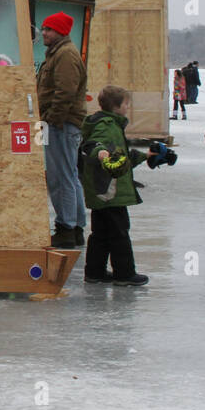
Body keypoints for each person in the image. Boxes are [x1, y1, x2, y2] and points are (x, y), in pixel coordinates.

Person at [79, 85, 152, 286]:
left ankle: (95, 271)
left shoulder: (109, 123)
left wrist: (146, 156)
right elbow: (94, 145)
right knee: (119, 231)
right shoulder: (107, 125)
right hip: (110, 190)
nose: (128, 107)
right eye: (126, 104)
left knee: (100, 233)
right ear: (117, 106)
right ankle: (124, 273)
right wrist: (100, 152)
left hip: (101, 190)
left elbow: (121, 156)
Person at [36, 11, 88, 249]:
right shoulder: (59, 53)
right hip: (62, 123)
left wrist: (51, 119)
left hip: (62, 124)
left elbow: (65, 91)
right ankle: (75, 226)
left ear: (60, 32)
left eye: (49, 29)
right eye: (44, 28)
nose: (44, 33)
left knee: (61, 177)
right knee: (70, 175)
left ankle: (66, 227)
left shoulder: (65, 55)